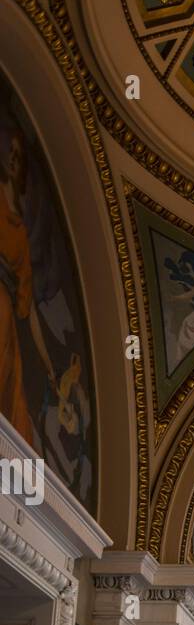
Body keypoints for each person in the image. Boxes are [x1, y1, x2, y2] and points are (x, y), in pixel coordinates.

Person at [0, 129, 58, 445]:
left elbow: (30, 309)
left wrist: (49, 366)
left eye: (19, 155)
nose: (12, 157)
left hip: (6, 327)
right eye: (10, 151)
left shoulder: (20, 233)